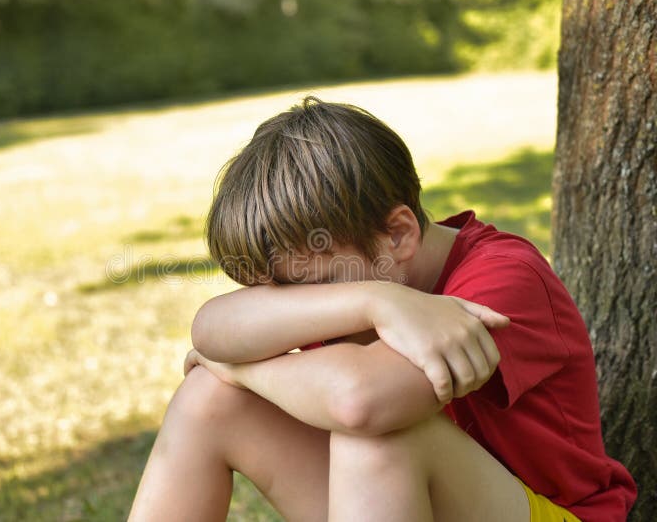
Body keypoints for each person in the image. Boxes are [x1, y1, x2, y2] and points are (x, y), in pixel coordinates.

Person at [128, 97, 636, 522]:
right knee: (207, 399)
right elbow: (211, 326)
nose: (309, 308)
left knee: (375, 439)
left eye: (316, 288)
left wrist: (239, 367)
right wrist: (373, 298)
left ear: (397, 234)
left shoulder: (505, 277)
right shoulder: (364, 276)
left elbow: (362, 403)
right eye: (286, 296)